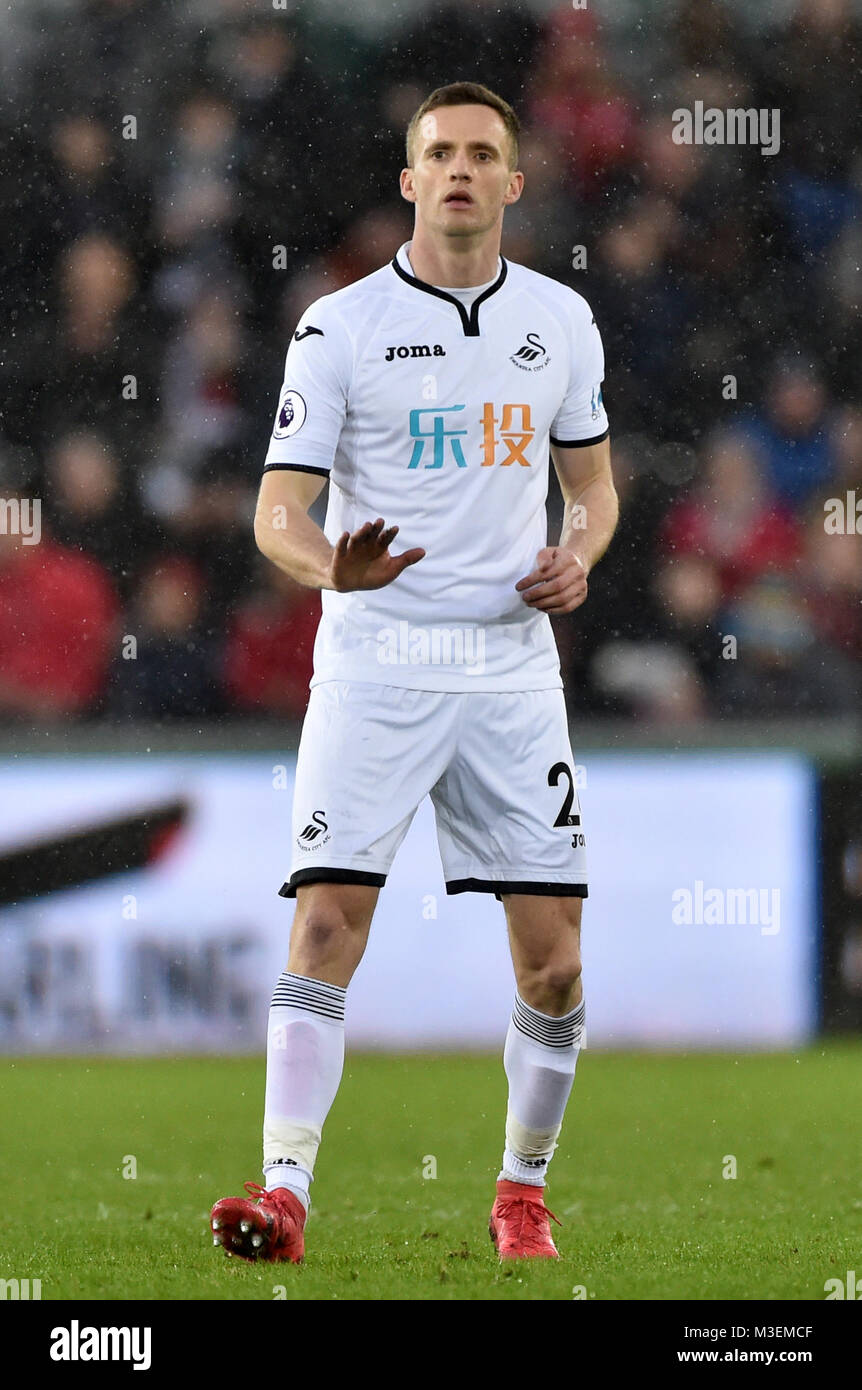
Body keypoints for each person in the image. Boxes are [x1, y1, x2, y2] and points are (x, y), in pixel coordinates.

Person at [210, 81, 618, 1265]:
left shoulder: (563, 322)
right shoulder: (336, 328)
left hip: (507, 670)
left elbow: (590, 491)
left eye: (480, 154)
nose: (457, 170)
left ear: (511, 181)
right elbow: (277, 510)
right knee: (327, 921)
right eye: (437, 152)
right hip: (376, 662)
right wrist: (328, 572)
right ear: (407, 179)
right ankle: (284, 1193)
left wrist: (576, 558)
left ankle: (520, 1192)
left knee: (554, 963)